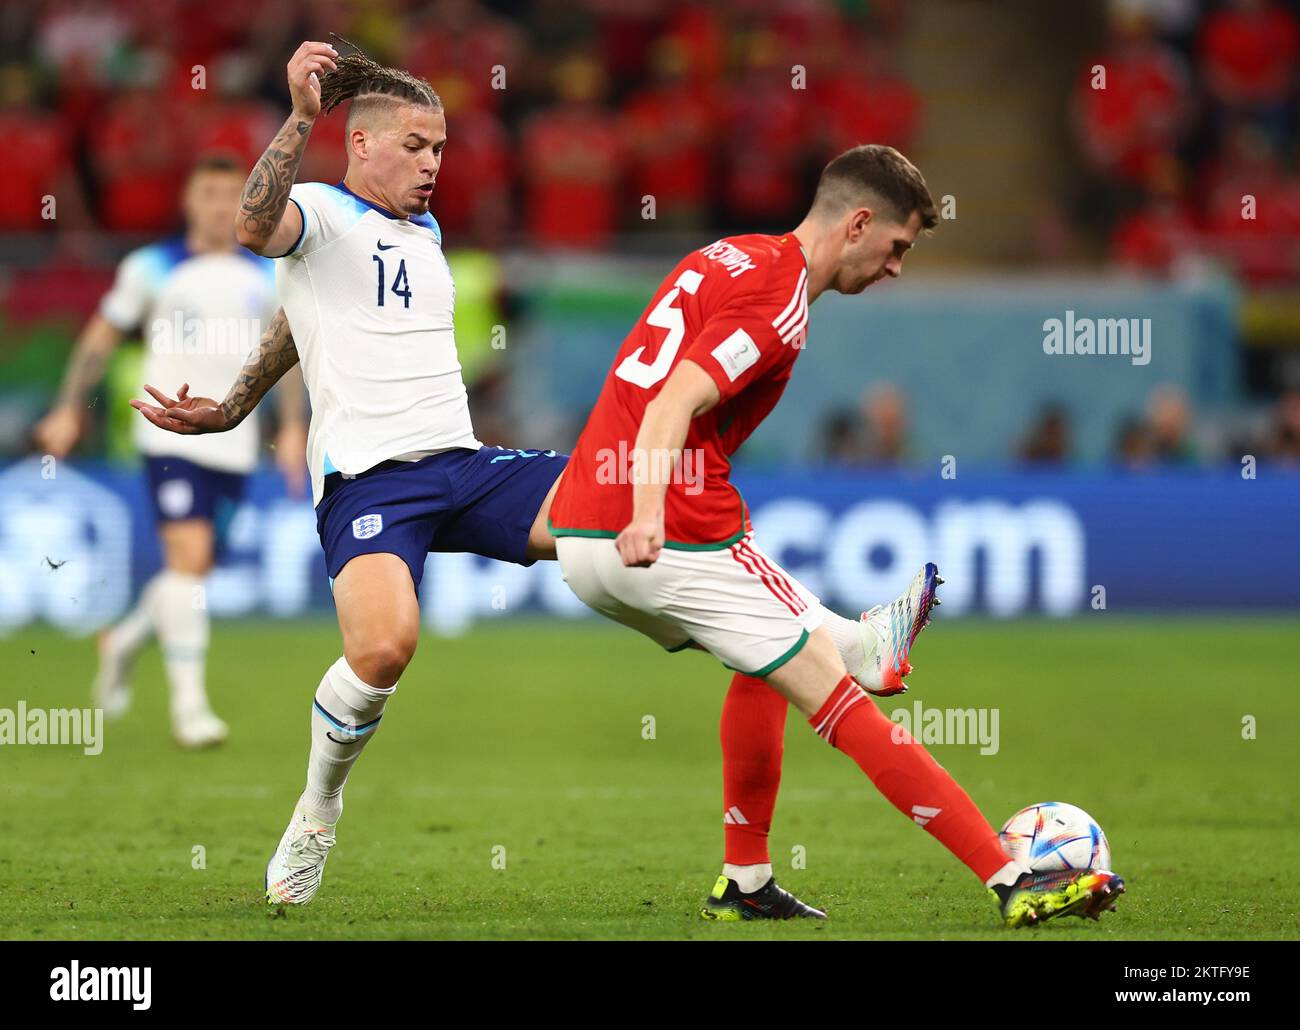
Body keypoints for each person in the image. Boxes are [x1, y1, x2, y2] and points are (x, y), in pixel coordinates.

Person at [132, 43, 934, 915]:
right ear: (358, 144)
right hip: (370, 484)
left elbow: (301, 319)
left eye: (440, 148)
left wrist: (238, 402)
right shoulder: (319, 211)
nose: (433, 163)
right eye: (414, 145)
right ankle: (317, 812)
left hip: (467, 467)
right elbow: (255, 233)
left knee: (629, 495)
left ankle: (843, 640)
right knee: (383, 649)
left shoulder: (425, 236)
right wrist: (297, 119)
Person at [549, 144, 1126, 927]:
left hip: (586, 534)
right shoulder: (779, 300)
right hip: (664, 528)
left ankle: (745, 881)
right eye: (896, 248)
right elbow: (670, 403)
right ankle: (1009, 877)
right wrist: (648, 511)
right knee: (838, 692)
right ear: (858, 223)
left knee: (763, 662)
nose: (895, 269)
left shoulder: (731, 255)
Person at [33, 153, 305, 748]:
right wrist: (67, 407)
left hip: (234, 443)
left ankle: (125, 639)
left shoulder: (268, 274)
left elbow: (281, 359)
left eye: (230, 194)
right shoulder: (152, 266)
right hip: (166, 434)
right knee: (190, 557)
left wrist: (292, 428)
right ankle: (190, 707)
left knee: (195, 569)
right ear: (188, 202)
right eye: (207, 193)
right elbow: (100, 339)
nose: (217, 205)